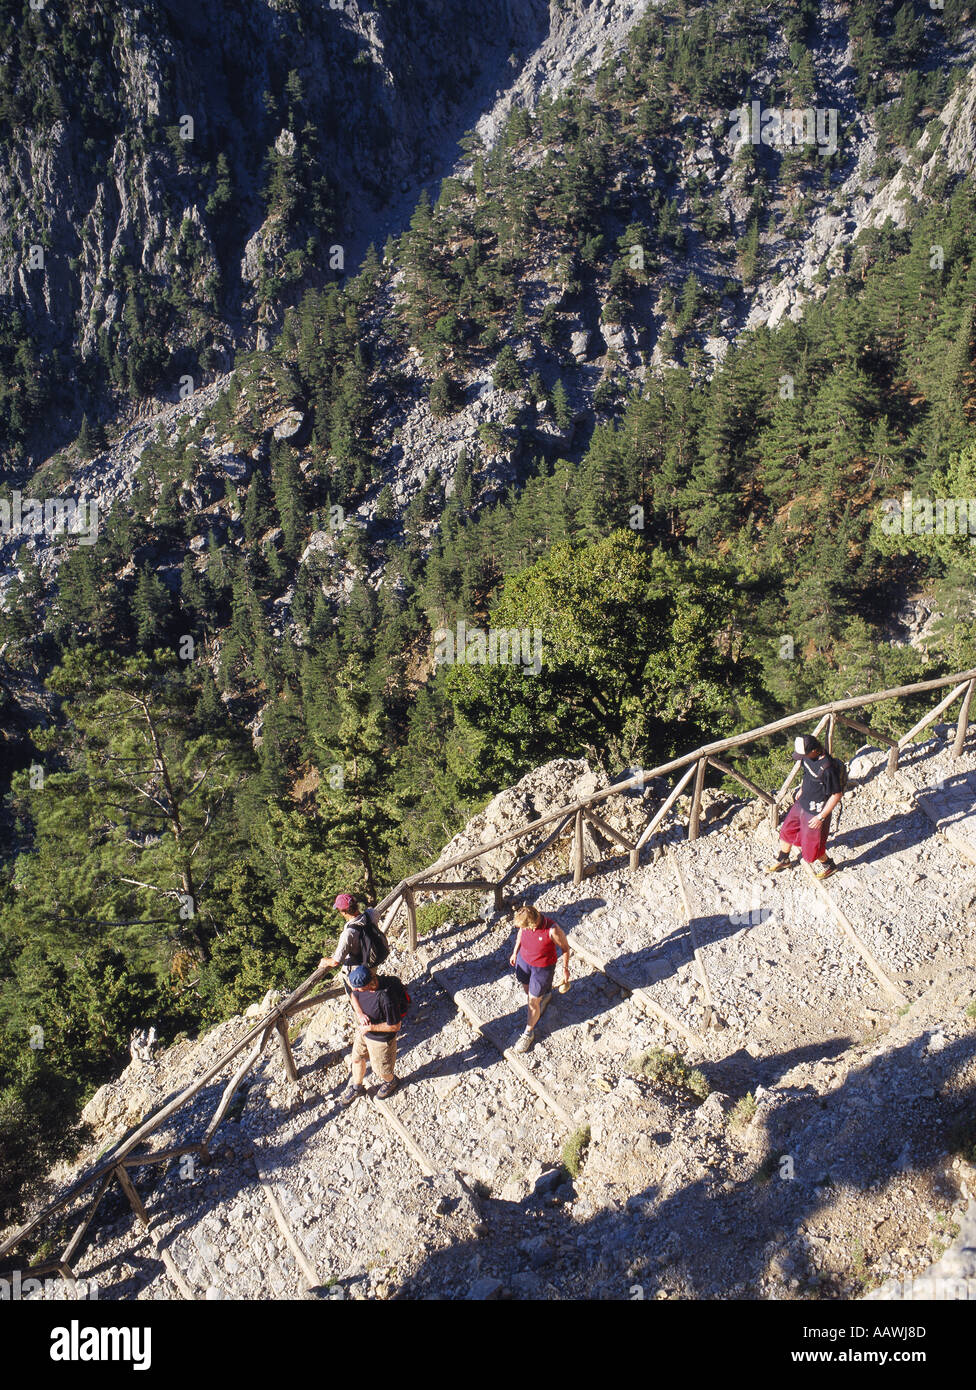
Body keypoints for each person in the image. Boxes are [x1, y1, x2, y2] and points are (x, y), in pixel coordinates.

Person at [766, 734, 843, 879]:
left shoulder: (828, 768)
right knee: (787, 831)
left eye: (804, 754)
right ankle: (784, 859)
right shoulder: (807, 758)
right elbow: (807, 774)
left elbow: (836, 795)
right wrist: (802, 789)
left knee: (812, 848)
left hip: (816, 811)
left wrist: (821, 817)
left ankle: (829, 866)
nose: (802, 757)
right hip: (802, 803)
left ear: (814, 750)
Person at [338, 965, 406, 1105]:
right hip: (365, 1032)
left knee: (381, 1070)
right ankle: (357, 1087)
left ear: (369, 985)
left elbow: (395, 1026)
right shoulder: (361, 987)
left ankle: (391, 1082)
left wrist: (370, 1027)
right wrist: (360, 1014)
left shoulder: (386, 997)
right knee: (356, 1059)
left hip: (381, 1040)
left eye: (358, 988)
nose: (355, 989)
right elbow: (353, 996)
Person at [509, 905, 570, 1053]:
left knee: (532, 1001)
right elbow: (520, 934)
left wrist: (565, 968)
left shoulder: (552, 930)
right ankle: (545, 994)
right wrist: (515, 952)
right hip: (524, 961)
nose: (522, 929)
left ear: (533, 923)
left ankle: (528, 1033)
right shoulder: (525, 924)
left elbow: (565, 948)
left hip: (542, 967)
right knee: (527, 990)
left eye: (525, 927)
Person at [319, 893, 380, 991]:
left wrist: (325, 961)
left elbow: (335, 961)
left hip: (358, 972)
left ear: (343, 912)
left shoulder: (348, 933)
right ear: (356, 904)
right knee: (372, 987)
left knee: (360, 994)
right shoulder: (371, 913)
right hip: (373, 960)